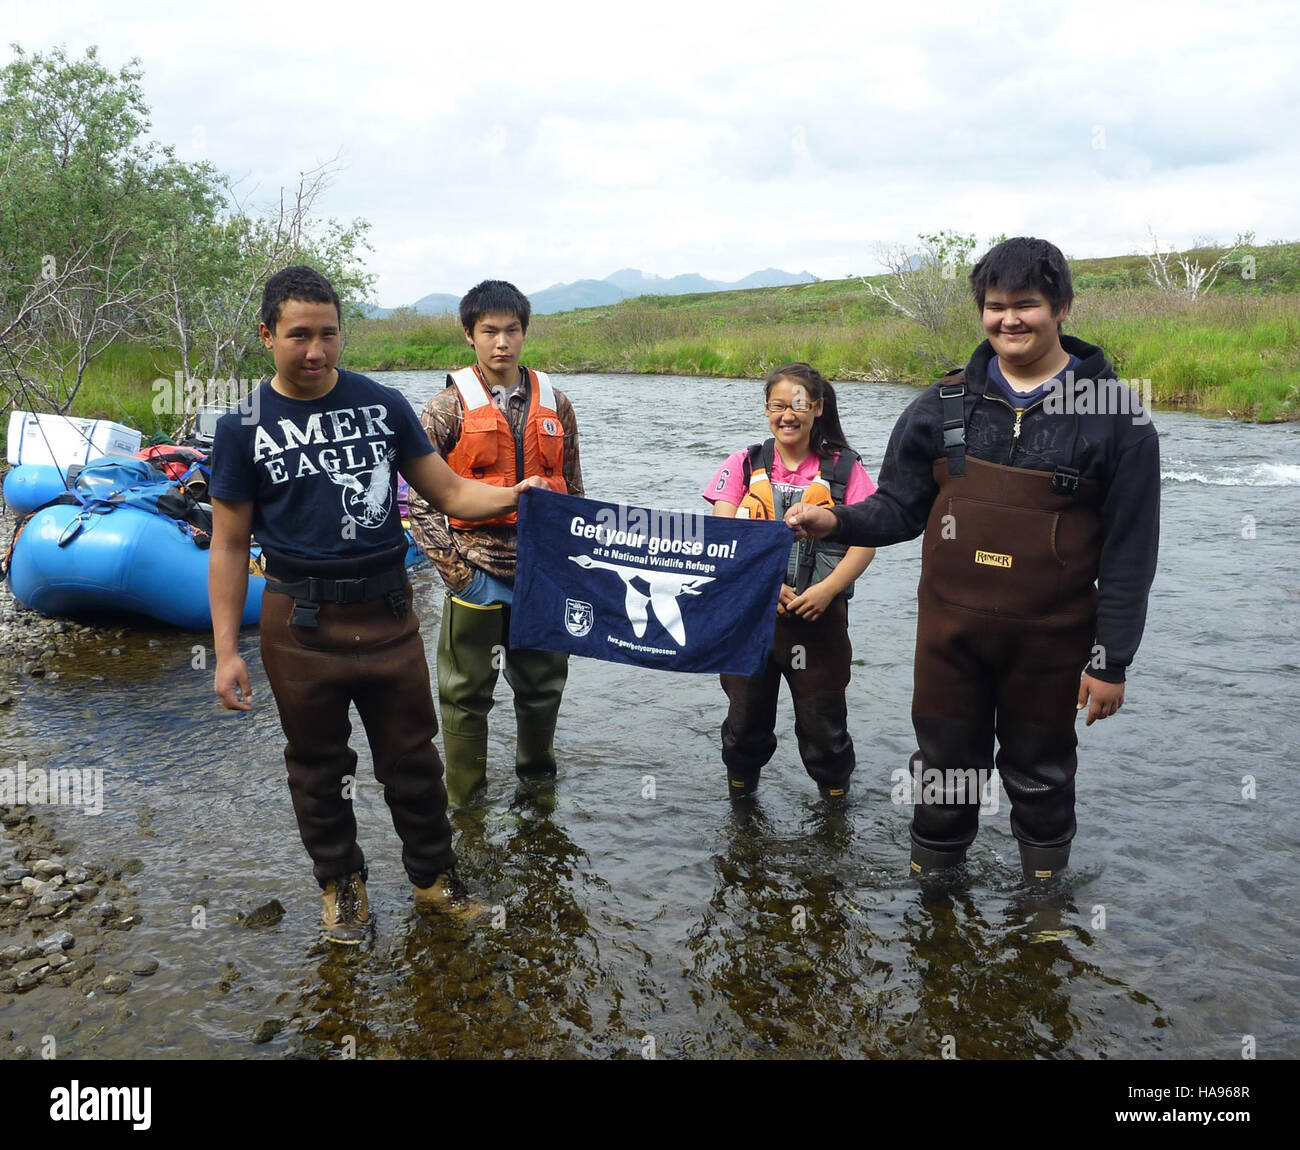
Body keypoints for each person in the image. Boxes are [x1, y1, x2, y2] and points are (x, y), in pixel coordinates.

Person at [787, 237, 1160, 883]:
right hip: (949, 642)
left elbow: (1131, 554)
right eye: (994, 306)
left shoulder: (1118, 418)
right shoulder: (942, 405)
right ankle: (936, 905)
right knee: (942, 777)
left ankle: (1042, 915)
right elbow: (901, 507)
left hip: (1050, 644)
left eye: (1027, 304)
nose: (1009, 320)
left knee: (1042, 778)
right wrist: (836, 521)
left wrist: (1111, 661)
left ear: (1062, 307)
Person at [209, 265, 542, 945]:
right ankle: (342, 887)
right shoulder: (241, 425)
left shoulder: (381, 403)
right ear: (267, 335)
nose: (316, 351)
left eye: (328, 334)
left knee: (413, 760)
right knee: (318, 766)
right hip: (298, 623)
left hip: (388, 615)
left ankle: (433, 879)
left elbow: (449, 494)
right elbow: (228, 543)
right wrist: (222, 653)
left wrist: (517, 495)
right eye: (299, 335)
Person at [407, 280, 583, 806]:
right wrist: (460, 576)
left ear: (525, 332)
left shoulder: (559, 405)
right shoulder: (444, 409)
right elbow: (417, 503)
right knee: (465, 696)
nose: (501, 342)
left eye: (511, 330)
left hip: (543, 578)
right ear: (470, 335)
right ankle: (467, 806)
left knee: (543, 689)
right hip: (476, 575)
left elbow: (573, 489)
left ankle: (538, 800)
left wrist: (572, 567)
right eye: (489, 331)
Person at [703, 362, 876, 801]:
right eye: (778, 406)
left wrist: (827, 590)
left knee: (824, 732)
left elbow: (867, 540)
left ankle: (835, 816)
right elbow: (725, 540)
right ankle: (742, 813)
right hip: (750, 624)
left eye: (798, 405)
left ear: (817, 408)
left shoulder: (846, 470)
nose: (788, 415)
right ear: (766, 411)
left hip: (820, 622)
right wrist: (763, 587)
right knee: (743, 729)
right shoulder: (743, 464)